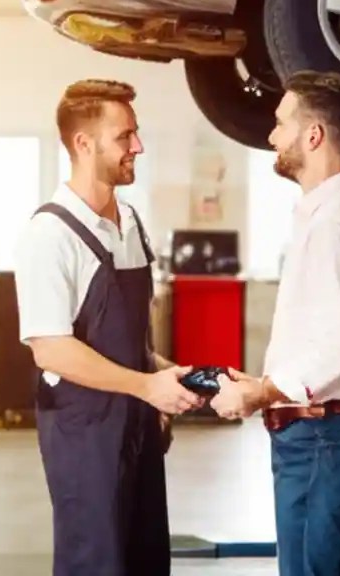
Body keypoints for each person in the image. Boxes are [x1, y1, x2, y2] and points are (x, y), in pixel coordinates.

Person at [13, 78, 202, 576]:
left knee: (143, 559)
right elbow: (50, 349)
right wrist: (146, 386)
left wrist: (167, 377)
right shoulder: (49, 235)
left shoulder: (132, 222)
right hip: (85, 433)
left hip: (138, 424)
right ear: (83, 143)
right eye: (125, 136)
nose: (137, 146)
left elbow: (130, 336)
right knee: (96, 561)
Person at [209, 70, 340, 576]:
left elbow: (339, 348)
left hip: (324, 435)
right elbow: (321, 334)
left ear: (313, 136)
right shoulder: (326, 215)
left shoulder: (334, 225)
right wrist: (265, 384)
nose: (271, 137)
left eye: (280, 124)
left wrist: (263, 392)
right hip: (320, 431)